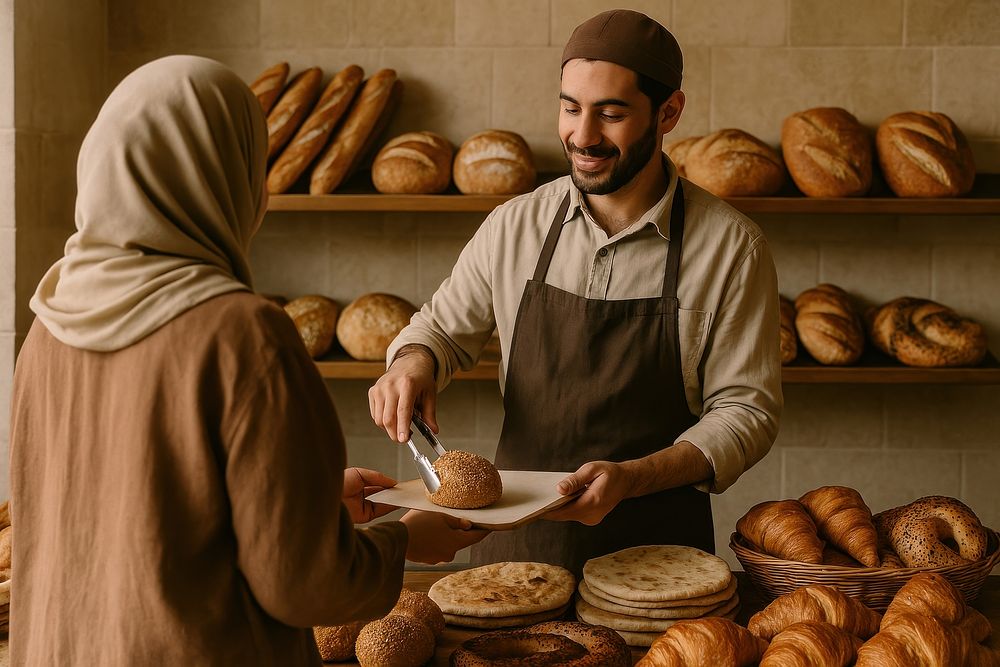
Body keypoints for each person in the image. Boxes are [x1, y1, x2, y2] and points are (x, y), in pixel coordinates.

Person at [9, 55, 485, 665]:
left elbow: (119, 515)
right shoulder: (245, 334)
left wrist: (306, 500)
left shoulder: (50, 322)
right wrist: (401, 541)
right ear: (222, 177)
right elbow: (305, 586)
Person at [369, 9, 783, 576]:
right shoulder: (515, 226)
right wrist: (413, 365)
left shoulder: (733, 249)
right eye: (570, 108)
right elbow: (439, 331)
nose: (582, 137)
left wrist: (635, 475)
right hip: (515, 556)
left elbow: (746, 410)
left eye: (610, 114)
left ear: (669, 113)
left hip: (658, 562)